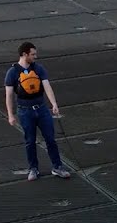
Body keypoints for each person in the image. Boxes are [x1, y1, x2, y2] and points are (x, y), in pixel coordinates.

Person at [4, 42, 71, 181]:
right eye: (33, 54)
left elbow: (47, 86)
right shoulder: (12, 72)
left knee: (50, 139)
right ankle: (33, 169)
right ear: (24, 54)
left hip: (42, 109)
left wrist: (53, 103)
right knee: (30, 141)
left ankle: (57, 167)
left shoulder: (39, 68)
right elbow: (9, 95)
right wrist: (10, 115)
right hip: (24, 111)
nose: (35, 56)